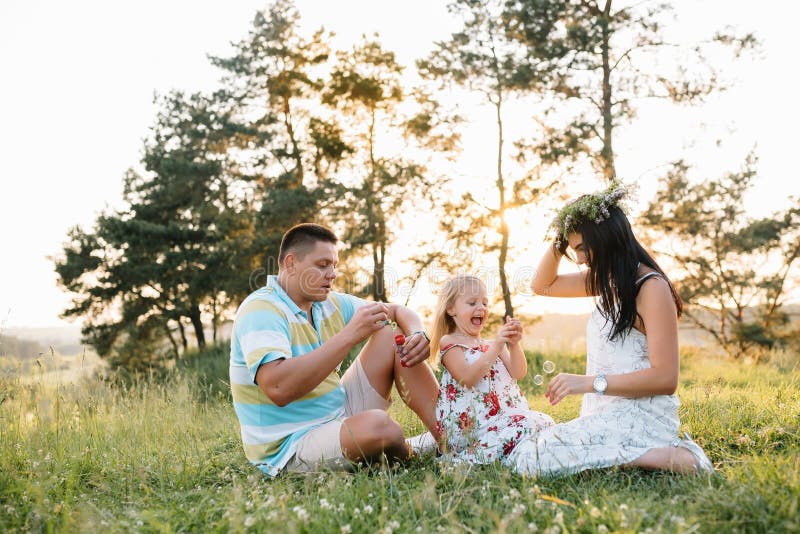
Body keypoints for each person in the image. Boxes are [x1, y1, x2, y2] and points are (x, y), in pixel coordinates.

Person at [509, 181, 714, 476]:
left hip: (644, 415)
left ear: (606, 239)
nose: (578, 259)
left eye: (581, 248)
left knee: (534, 459)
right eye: (572, 249)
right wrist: (560, 238)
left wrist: (589, 382)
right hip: (606, 413)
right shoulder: (606, 280)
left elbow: (666, 378)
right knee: (529, 454)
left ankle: (668, 456)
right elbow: (542, 285)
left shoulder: (651, 288)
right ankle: (634, 453)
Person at [229, 223, 440, 476]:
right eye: (322, 265)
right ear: (290, 263)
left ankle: (453, 440)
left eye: (334, 266)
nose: (332, 274)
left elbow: (396, 311)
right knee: (382, 428)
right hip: (292, 445)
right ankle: (414, 450)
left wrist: (417, 332)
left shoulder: (327, 303)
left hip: (336, 414)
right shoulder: (261, 310)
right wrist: (350, 335)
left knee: (390, 336)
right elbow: (278, 389)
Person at [431, 275, 554, 465]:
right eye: (472, 303)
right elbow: (467, 379)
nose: (481, 308)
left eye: (485, 303)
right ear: (451, 309)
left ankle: (508, 449)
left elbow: (518, 372)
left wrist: (513, 345)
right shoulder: (450, 342)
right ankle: (464, 459)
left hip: (503, 419)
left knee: (544, 421)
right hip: (471, 427)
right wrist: (496, 346)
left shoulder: (491, 344)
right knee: (527, 426)